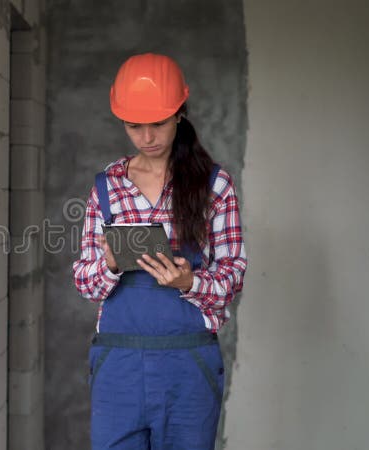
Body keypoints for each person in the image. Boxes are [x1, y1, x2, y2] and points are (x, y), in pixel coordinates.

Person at [72, 53, 247, 450]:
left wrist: (190, 281)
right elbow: (84, 281)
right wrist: (110, 265)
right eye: (135, 126)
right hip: (120, 368)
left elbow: (234, 273)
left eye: (158, 124)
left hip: (188, 367)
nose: (147, 137)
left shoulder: (213, 185)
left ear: (179, 114)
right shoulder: (108, 186)